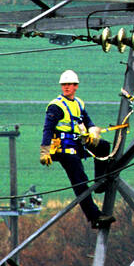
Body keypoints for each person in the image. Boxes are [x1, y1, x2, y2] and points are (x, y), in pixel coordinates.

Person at [40, 70, 115, 228]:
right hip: (63, 148)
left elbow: (87, 121)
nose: (66, 87)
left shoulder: (78, 103)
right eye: (64, 84)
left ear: (76, 86)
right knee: (79, 179)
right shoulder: (56, 106)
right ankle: (94, 216)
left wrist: (93, 131)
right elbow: (47, 129)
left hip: (76, 142)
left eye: (70, 84)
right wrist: (45, 151)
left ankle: (100, 183)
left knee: (103, 146)